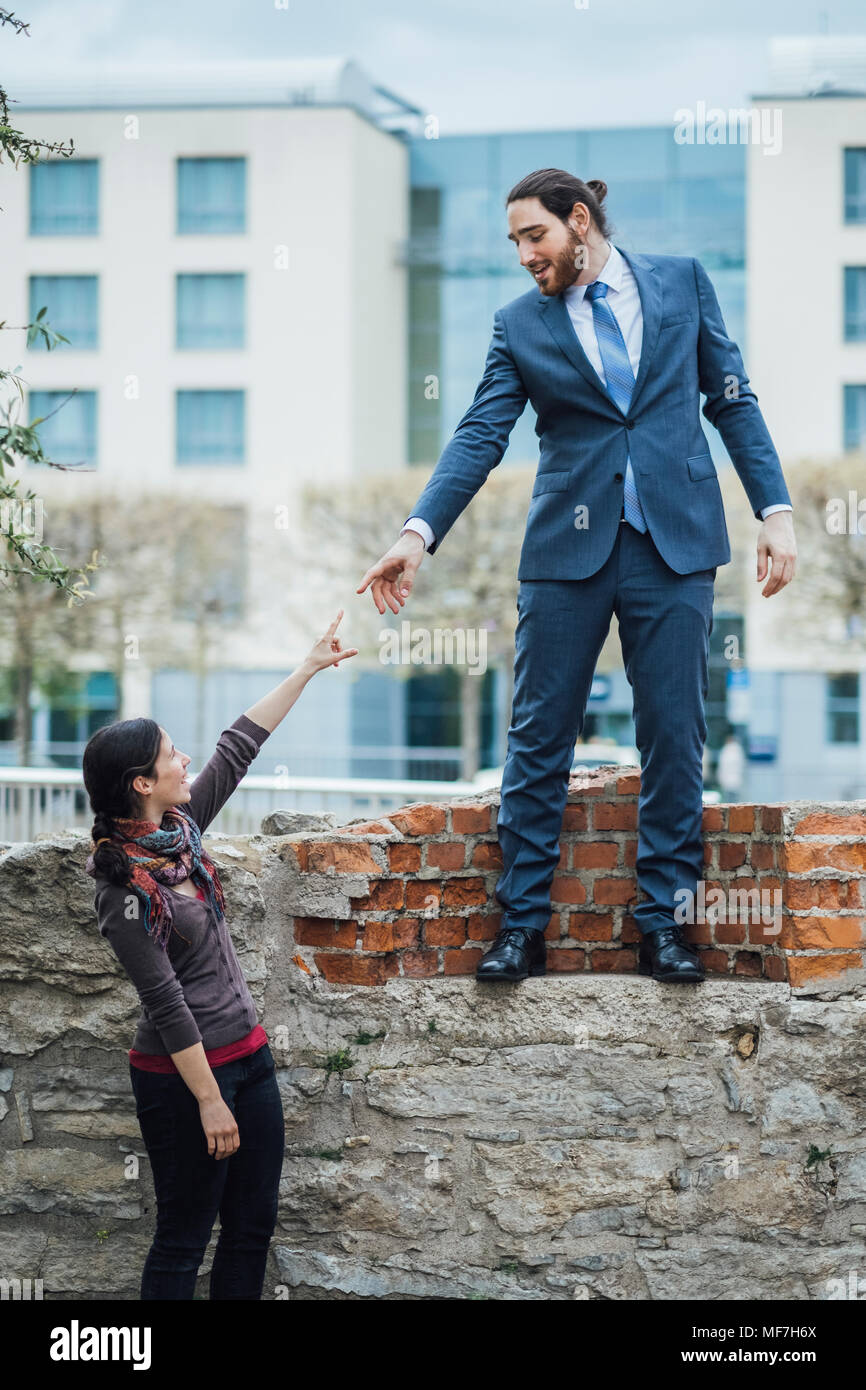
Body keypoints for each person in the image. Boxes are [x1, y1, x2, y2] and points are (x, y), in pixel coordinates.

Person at [357, 168, 797, 986]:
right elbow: (480, 434)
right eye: (515, 242)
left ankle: (662, 926)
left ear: (581, 221)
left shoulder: (681, 283)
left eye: (536, 236)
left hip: (677, 544)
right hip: (567, 552)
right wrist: (417, 535)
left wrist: (776, 512)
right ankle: (520, 927)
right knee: (537, 739)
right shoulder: (519, 326)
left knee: (675, 735)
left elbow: (731, 399)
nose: (525, 256)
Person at [82, 612, 357, 1300]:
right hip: (184, 1082)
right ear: (141, 783)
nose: (185, 761)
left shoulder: (182, 831)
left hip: (250, 1058)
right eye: (172, 755)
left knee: (250, 1230)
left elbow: (239, 747)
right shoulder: (123, 890)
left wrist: (307, 666)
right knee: (181, 1239)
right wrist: (209, 1102)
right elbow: (167, 1006)